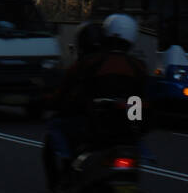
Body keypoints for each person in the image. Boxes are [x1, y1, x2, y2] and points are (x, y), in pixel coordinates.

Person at [45, 15, 149, 183]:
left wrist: (52, 102)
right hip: (128, 132)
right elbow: (143, 100)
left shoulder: (91, 62)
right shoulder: (139, 66)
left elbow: (70, 94)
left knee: (55, 130)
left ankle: (60, 181)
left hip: (97, 129)